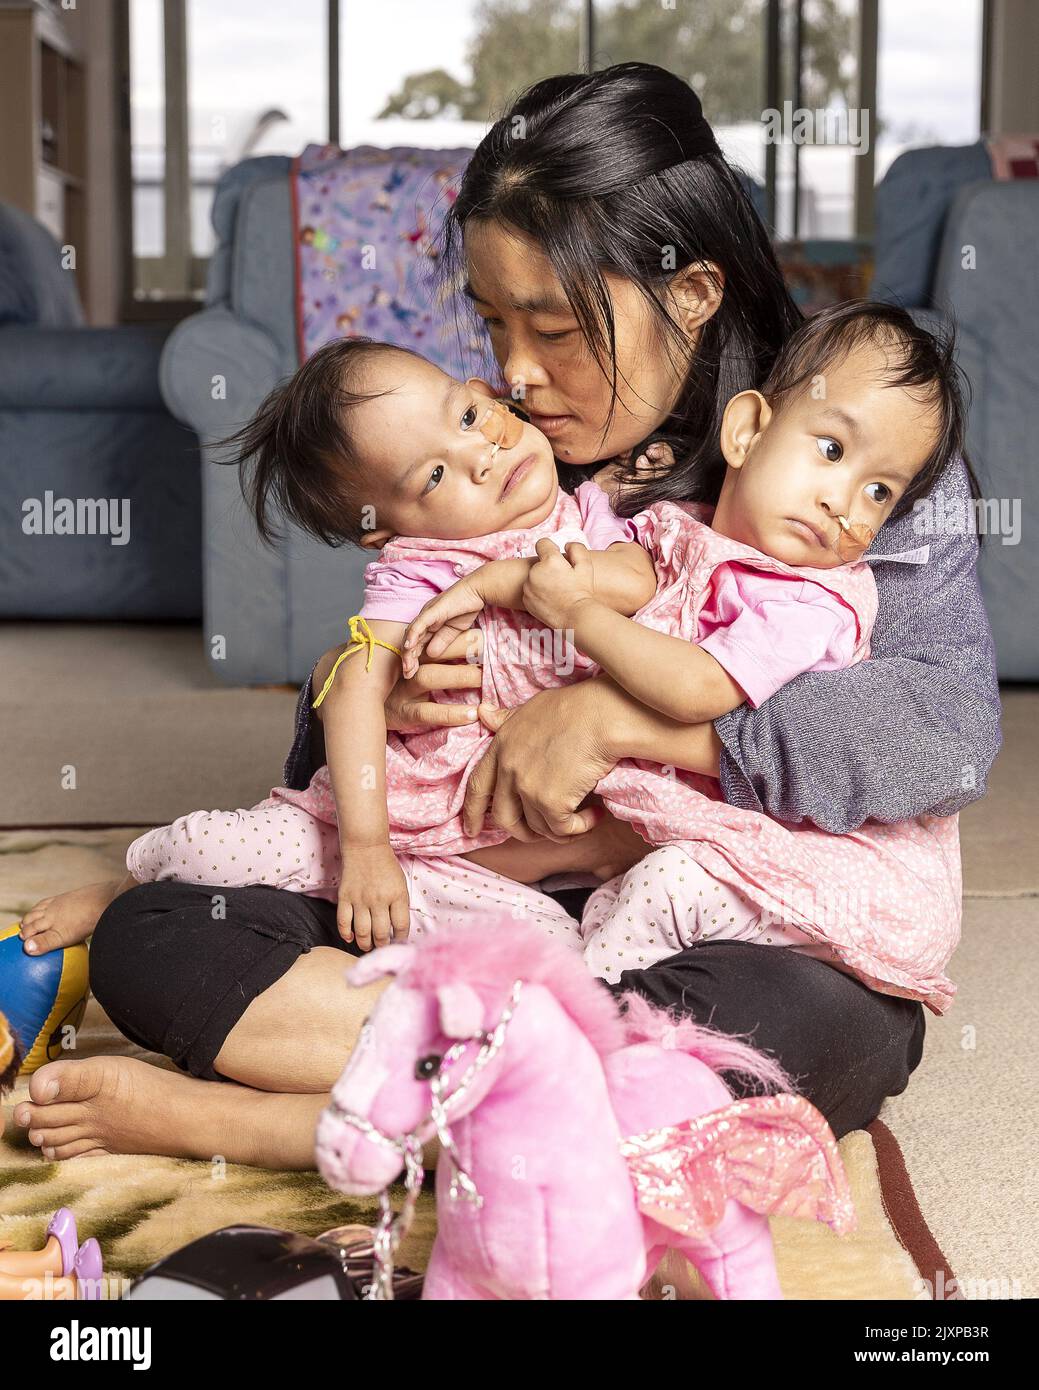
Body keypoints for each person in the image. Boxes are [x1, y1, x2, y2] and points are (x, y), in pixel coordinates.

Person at [13, 64, 1000, 1168]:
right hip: (484, 903)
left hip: (717, 917)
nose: (518, 380)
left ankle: (307, 1120)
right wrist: (395, 693)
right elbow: (345, 737)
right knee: (161, 933)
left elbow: (942, 727)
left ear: (691, 293)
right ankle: (552, 1104)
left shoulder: (856, 438)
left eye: (557, 330)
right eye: (492, 327)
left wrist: (621, 722)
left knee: (829, 1032)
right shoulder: (494, 466)